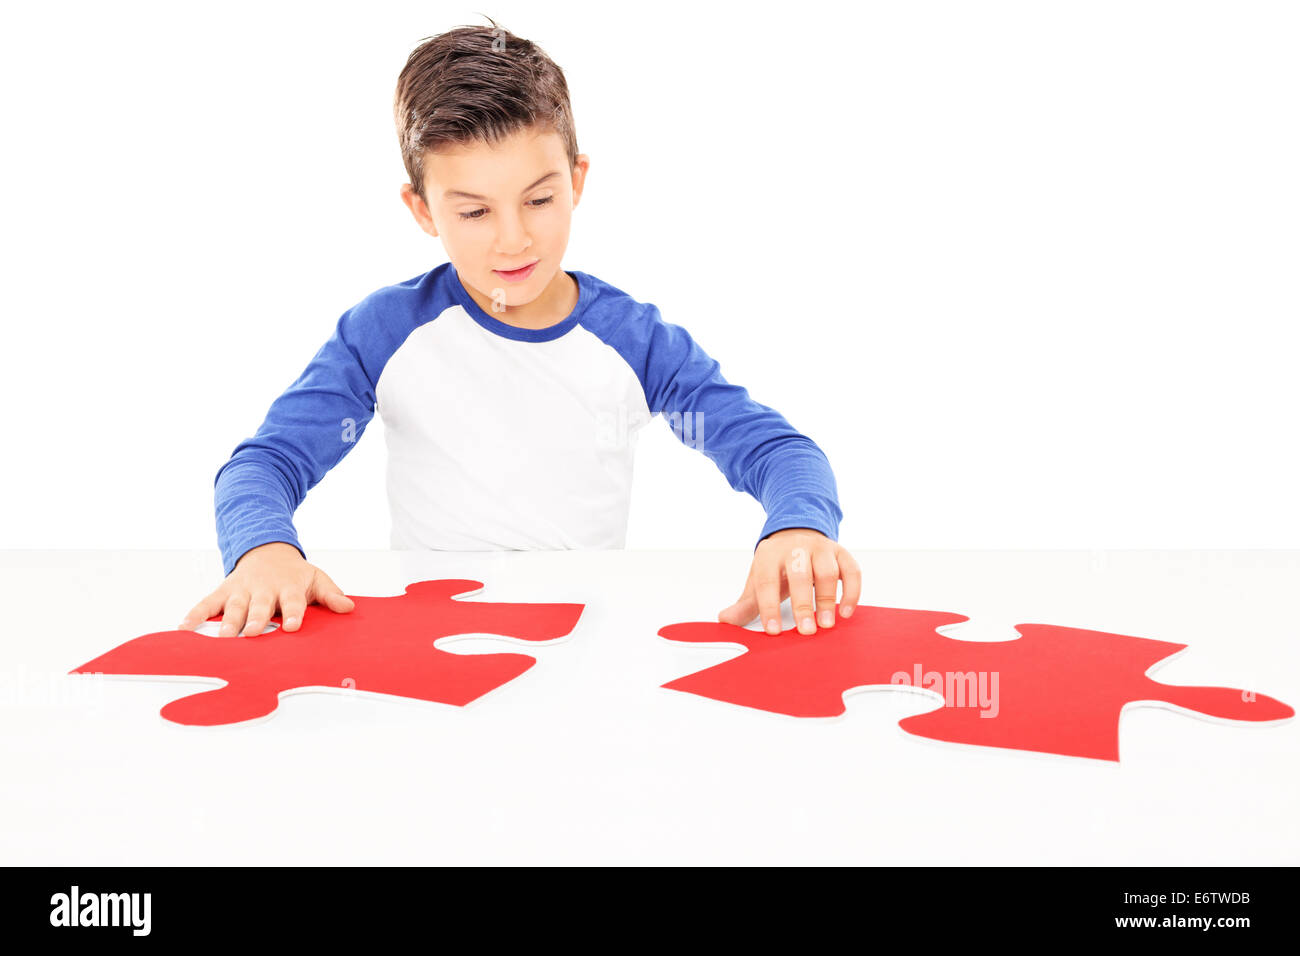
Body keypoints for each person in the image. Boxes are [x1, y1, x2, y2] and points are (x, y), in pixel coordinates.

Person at [178, 20, 860, 641]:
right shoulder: (384, 333)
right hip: (430, 643)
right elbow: (265, 465)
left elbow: (778, 452)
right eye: (474, 212)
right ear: (421, 210)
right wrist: (265, 551)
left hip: (585, 644)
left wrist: (797, 526)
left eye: (539, 199)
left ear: (577, 180)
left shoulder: (636, 341)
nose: (515, 239)